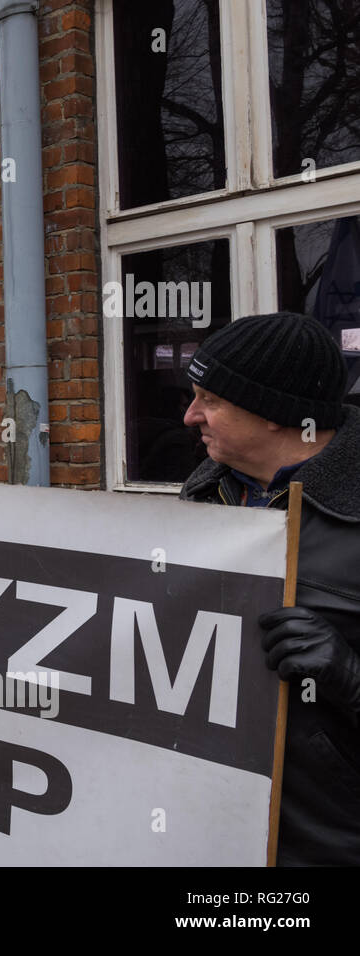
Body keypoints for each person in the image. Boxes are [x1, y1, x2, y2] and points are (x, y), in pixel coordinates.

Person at [178, 311, 360, 865]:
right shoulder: (205, 492)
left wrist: (348, 677)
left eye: (210, 400)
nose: (190, 417)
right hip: (215, 825)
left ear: (278, 415)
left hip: (328, 843)